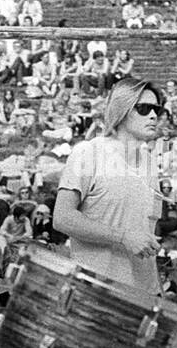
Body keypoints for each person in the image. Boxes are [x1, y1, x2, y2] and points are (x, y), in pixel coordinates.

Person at [54, 77, 166, 295]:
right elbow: (62, 217)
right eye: (143, 108)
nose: (153, 115)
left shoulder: (150, 164)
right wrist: (123, 237)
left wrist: (156, 291)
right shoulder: (88, 153)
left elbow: (145, 237)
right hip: (94, 292)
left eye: (156, 110)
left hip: (141, 296)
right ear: (121, 110)